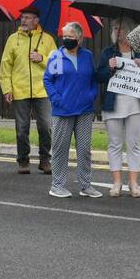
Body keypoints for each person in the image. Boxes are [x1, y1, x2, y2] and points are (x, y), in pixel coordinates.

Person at [96, 17, 140, 198]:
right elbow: (99, 76)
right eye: (115, 28)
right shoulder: (108, 53)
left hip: (135, 104)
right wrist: (110, 68)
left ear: (129, 31)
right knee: (115, 143)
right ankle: (117, 182)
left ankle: (134, 182)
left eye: (121, 28)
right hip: (113, 104)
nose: (117, 31)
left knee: (134, 143)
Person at [44, 21, 101, 198]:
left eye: (71, 37)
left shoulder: (87, 56)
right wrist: (56, 99)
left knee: (84, 149)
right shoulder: (57, 56)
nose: (67, 39)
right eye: (65, 36)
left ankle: (85, 185)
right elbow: (48, 80)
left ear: (80, 38)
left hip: (84, 110)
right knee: (60, 148)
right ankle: (57, 185)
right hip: (63, 110)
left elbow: (93, 78)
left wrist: (92, 95)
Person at [0, 5, 55, 174]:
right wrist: (7, 89)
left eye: (28, 17)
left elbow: (57, 64)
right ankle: (23, 160)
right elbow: (5, 66)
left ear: (36, 21)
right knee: (22, 129)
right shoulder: (13, 39)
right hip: (20, 90)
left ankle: (45, 160)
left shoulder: (48, 39)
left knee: (46, 127)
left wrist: (41, 58)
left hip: (43, 90)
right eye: (22, 17)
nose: (23, 20)